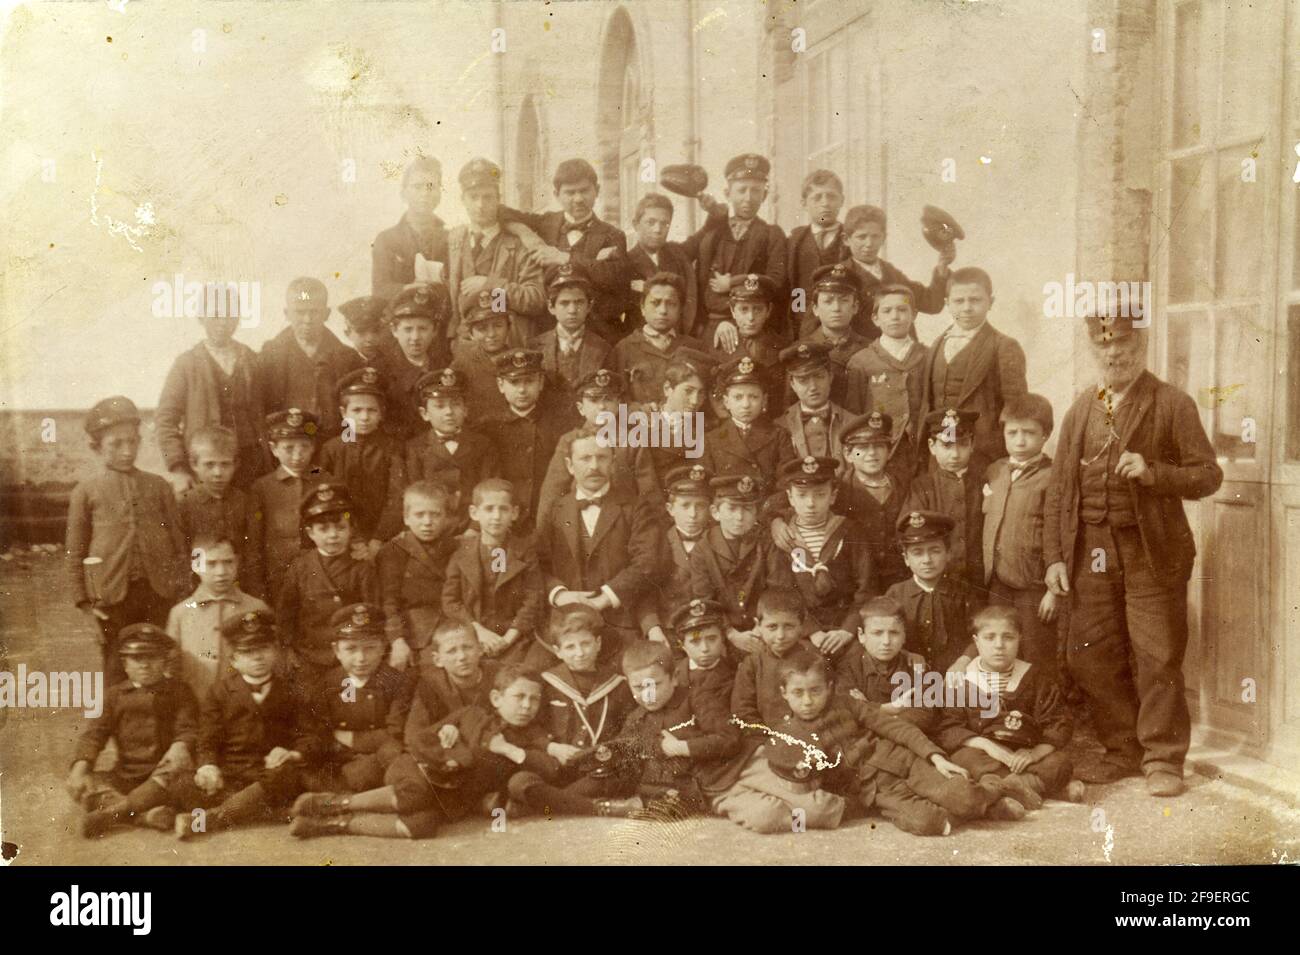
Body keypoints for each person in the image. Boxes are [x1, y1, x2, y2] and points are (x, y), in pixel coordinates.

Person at [1043, 311, 1222, 797]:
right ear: (1092, 351)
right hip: (1091, 552)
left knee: (1157, 654)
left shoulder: (1171, 403)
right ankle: (1123, 750)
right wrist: (1056, 557)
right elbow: (1060, 488)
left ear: (1140, 346)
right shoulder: (1082, 408)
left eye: (1121, 344)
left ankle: (1163, 759)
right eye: (1103, 347)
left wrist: (1153, 473)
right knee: (1093, 655)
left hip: (1149, 549)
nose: (1113, 354)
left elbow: (1208, 475)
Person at [289, 665, 556, 839]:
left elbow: (547, 768)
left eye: (534, 699)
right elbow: (419, 739)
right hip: (416, 769)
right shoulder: (472, 714)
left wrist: (510, 750)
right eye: (519, 697)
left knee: (422, 825)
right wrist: (447, 741)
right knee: (416, 792)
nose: (526, 706)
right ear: (497, 699)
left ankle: (335, 825)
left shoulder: (532, 739)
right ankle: (332, 803)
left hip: (447, 798)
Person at [508, 642, 739, 818]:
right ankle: (592, 807)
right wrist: (586, 757)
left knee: (554, 795)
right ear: (628, 683)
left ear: (674, 678)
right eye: (638, 687)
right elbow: (620, 752)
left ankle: (537, 804)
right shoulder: (636, 715)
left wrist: (682, 747)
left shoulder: (697, 700)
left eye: (655, 684)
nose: (648, 695)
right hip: (638, 785)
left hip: (681, 790)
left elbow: (729, 738)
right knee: (523, 783)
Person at [66, 396, 189, 683]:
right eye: (116, 444)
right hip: (111, 600)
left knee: (161, 664)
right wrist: (86, 607)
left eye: (133, 442)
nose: (127, 451)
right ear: (96, 447)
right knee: (117, 668)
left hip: (160, 594)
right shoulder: (86, 492)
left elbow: (178, 544)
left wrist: (181, 591)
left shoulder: (158, 487)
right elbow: (74, 555)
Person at [169, 610, 308, 840]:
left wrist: (291, 753)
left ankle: (213, 819)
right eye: (248, 652)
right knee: (181, 783)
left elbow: (310, 736)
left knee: (288, 774)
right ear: (234, 659)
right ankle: (259, 812)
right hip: (231, 774)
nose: (257, 658)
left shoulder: (292, 691)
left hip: (269, 774)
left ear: (275, 652)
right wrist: (209, 767)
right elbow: (207, 739)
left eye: (264, 649)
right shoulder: (219, 692)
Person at [937, 605, 1086, 806]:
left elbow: (1058, 722)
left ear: (1019, 640)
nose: (999, 645)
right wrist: (989, 747)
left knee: (1059, 763)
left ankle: (1004, 793)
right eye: (990, 638)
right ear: (976, 643)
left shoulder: (1035, 677)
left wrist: (1035, 753)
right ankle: (1038, 788)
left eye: (1008, 637)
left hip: (1026, 754)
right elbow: (950, 727)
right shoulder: (963, 680)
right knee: (964, 759)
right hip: (985, 754)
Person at [535, 425, 661, 652]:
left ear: (612, 464)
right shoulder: (555, 510)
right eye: (585, 458)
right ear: (569, 466)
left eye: (601, 458)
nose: (594, 466)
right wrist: (559, 594)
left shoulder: (635, 507)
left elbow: (647, 562)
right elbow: (537, 564)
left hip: (619, 623)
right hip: (564, 626)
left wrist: (606, 598)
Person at [65, 625, 198, 838]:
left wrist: (180, 746)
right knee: (87, 784)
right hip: (127, 774)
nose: (145, 664)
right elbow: (94, 734)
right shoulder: (114, 696)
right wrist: (81, 766)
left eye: (152, 657)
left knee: (183, 781)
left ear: (164, 660)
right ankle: (144, 816)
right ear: (125, 663)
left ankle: (117, 812)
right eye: (137, 658)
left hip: (164, 774)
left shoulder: (179, 691)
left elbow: (188, 728)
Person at [501, 158, 631, 342]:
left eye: (584, 190)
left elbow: (617, 278)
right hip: (547, 334)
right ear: (556, 194)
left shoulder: (613, 235)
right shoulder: (545, 224)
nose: (578, 199)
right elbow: (502, 213)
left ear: (597, 190)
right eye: (570, 193)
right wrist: (527, 235)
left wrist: (565, 258)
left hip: (598, 335)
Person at [291, 603, 414, 796]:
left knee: (387, 760)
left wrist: (351, 738)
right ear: (337, 650)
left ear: (383, 647)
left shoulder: (396, 682)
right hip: (339, 757)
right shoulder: (327, 684)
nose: (361, 658)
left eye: (370, 648)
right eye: (351, 649)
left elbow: (395, 732)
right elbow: (317, 731)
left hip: (379, 757)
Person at [917, 267, 1027, 479]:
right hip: (939, 456)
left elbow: (1015, 409)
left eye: (975, 300)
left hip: (982, 454)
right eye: (959, 301)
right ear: (947, 303)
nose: (967, 308)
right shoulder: (937, 345)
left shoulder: (1004, 346)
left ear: (990, 303)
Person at [982, 394, 1059, 682]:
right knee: (1000, 649)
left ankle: (1044, 717)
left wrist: (1054, 591)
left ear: (1046, 435)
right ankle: (1007, 716)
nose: (1020, 440)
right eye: (1012, 433)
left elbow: (1060, 533)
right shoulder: (995, 471)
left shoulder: (1053, 476)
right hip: (998, 580)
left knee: (1036, 652)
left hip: (1034, 584)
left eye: (1029, 433)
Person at [155, 294, 266, 494]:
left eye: (230, 315)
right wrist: (178, 468)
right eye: (215, 315)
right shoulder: (187, 364)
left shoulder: (252, 360)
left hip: (250, 463)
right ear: (201, 317)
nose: (223, 322)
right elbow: (165, 420)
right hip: (206, 467)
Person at [765, 455, 872, 659]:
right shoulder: (784, 538)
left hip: (846, 626)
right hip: (802, 631)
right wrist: (812, 632)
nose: (811, 503)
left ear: (833, 496)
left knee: (858, 660)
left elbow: (866, 588)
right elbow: (782, 594)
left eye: (820, 494)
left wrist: (847, 630)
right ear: (790, 498)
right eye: (802, 495)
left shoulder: (850, 531)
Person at [679, 153, 788, 344]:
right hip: (711, 328)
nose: (748, 197)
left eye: (755, 190)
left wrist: (734, 282)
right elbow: (681, 255)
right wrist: (713, 219)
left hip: (754, 328)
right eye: (741, 190)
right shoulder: (713, 230)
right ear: (728, 193)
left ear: (764, 195)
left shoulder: (772, 234)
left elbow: (776, 281)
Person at [276, 484, 381, 681]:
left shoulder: (361, 568)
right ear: (310, 533)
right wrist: (287, 648)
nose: (333, 535)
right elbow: (286, 613)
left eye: (341, 527)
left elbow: (372, 613)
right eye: (323, 529)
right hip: (308, 655)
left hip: (349, 658)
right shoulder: (301, 567)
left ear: (351, 530)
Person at [379, 366, 497, 537]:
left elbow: (490, 493)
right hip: (427, 531)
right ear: (425, 413)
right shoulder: (413, 449)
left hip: (471, 532)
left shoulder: (483, 446)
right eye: (439, 406)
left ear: (465, 410)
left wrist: (474, 529)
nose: (449, 412)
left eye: (455, 404)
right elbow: (402, 497)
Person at [442, 478, 546, 666]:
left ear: (514, 513)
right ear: (474, 513)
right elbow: (451, 602)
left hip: (514, 637)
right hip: (473, 635)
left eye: (503, 509)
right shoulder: (460, 553)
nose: (496, 516)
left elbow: (533, 600)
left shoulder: (525, 553)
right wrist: (479, 631)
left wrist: (508, 639)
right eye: (489, 509)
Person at [445, 157, 545, 345]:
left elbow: (536, 299)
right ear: (463, 200)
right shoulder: (454, 241)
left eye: (487, 197)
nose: (480, 205)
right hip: (466, 346)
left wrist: (492, 285)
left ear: (498, 199)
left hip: (510, 343)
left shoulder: (519, 244)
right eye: (473, 197)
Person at [259, 277, 363, 440]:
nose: (307, 320)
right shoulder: (270, 354)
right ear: (287, 313)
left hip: (330, 445)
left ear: (326, 313)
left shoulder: (346, 356)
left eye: (314, 312)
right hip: (287, 445)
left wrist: (346, 448)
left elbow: (353, 409)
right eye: (300, 312)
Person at [166, 534, 269, 698]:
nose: (221, 572)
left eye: (228, 562)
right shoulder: (181, 613)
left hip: (243, 708)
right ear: (196, 565)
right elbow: (171, 667)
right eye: (211, 564)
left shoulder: (256, 608)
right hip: (197, 704)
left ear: (237, 563)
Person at [844, 284, 929, 481]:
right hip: (880, 454)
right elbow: (852, 416)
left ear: (914, 315)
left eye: (902, 310)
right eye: (887, 311)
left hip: (920, 452)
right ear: (875, 318)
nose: (895, 317)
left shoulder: (928, 356)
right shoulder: (861, 361)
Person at [246, 408, 332, 602]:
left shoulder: (326, 481)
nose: (297, 455)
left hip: (320, 576)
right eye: (288, 448)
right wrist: (258, 593)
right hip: (277, 577)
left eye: (304, 447)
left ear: (313, 447)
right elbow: (254, 545)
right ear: (274, 449)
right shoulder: (262, 487)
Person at [834, 204, 952, 342]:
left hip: (905, 355)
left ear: (883, 238)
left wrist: (942, 267)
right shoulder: (839, 276)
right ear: (846, 239)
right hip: (864, 357)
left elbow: (931, 304)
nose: (869, 243)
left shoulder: (891, 272)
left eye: (875, 236)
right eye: (861, 237)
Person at [376, 481, 461, 672]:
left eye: (435, 514)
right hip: (413, 631)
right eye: (419, 514)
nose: (427, 522)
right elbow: (389, 603)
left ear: (446, 517)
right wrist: (397, 640)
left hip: (451, 626)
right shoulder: (393, 550)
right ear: (406, 518)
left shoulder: (456, 547)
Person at [478, 349, 571, 523]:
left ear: (541, 382)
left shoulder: (561, 426)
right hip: (502, 521)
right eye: (514, 382)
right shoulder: (486, 428)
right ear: (500, 385)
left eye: (529, 381)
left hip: (549, 519)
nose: (522, 389)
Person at [318, 366, 403, 555]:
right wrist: (354, 538)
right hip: (341, 536)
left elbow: (396, 497)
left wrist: (378, 539)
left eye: (371, 410)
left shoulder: (392, 449)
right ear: (343, 412)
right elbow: (326, 496)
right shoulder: (332, 449)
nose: (364, 417)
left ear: (381, 413)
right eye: (357, 410)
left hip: (383, 537)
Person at [688, 473, 773, 652]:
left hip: (765, 630)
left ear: (757, 512)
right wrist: (731, 634)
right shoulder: (703, 550)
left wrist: (762, 628)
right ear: (715, 512)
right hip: (724, 633)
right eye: (732, 509)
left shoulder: (767, 543)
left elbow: (777, 588)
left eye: (747, 509)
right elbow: (704, 599)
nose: (740, 517)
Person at [903, 409, 985, 589]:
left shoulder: (984, 482)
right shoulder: (922, 487)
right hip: (939, 580)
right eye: (947, 446)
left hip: (979, 579)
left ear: (972, 444)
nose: (955, 454)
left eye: (962, 444)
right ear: (932, 446)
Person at [175, 426, 262, 597]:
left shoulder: (245, 502)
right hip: (198, 589)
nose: (218, 473)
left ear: (236, 464)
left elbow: (253, 552)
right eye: (209, 465)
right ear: (194, 464)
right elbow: (183, 552)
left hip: (240, 588)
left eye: (225, 464)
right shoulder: (185, 504)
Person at [884, 511, 975, 673]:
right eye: (917, 553)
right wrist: (905, 653)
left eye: (935, 551)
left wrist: (964, 660)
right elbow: (882, 636)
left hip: (955, 674)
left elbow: (979, 633)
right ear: (906, 558)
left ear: (948, 554)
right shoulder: (896, 593)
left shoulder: (963, 591)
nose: (927, 560)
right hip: (908, 675)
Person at [638, 465, 713, 646]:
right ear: (670, 509)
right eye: (685, 505)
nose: (693, 514)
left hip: (709, 633)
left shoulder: (716, 541)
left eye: (700, 506)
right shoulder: (656, 543)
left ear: (711, 509)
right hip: (667, 632)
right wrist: (653, 628)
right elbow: (643, 592)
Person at [612, 272, 713, 406]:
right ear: (642, 307)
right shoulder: (624, 348)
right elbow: (616, 399)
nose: (663, 310)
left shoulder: (695, 347)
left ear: (681, 309)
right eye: (655, 303)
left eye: (671, 304)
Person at [835, 412, 909, 591]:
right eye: (862, 447)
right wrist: (776, 518)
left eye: (879, 446)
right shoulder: (837, 488)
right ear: (848, 454)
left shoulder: (904, 484)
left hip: (901, 581)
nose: (872, 454)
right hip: (856, 585)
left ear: (889, 451)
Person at [700, 355, 797, 488]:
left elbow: (786, 482)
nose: (745, 404)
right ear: (726, 402)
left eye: (753, 397)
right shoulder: (710, 439)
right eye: (738, 397)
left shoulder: (779, 435)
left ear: (764, 401)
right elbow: (706, 485)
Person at [402, 620, 500, 747]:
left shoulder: (499, 675)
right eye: (451, 651)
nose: (462, 656)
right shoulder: (431, 685)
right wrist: (442, 730)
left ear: (480, 649)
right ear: (438, 660)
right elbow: (412, 736)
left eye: (467, 647)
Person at [529, 262, 611, 411]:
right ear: (551, 307)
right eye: (564, 303)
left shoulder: (603, 348)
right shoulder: (534, 347)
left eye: (579, 302)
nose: (572, 310)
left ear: (589, 306)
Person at [371, 156, 450, 301]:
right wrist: (407, 289)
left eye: (431, 187)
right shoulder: (387, 240)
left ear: (439, 194)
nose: (425, 193)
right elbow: (380, 290)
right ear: (404, 193)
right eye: (417, 187)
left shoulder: (452, 239)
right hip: (401, 319)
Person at [381, 283, 454, 440]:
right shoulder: (384, 372)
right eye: (408, 329)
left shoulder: (445, 366)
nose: (415, 338)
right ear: (394, 331)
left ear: (434, 331)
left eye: (422, 329)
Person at [626, 193, 698, 335]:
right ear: (636, 224)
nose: (658, 230)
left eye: (664, 224)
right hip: (642, 343)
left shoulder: (677, 254)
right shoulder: (625, 262)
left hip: (680, 339)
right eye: (651, 222)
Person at [787, 170, 849, 330]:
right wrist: (799, 317)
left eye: (831, 196)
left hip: (843, 324)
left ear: (842, 200)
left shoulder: (851, 238)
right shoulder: (795, 240)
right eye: (817, 197)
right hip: (803, 324)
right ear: (804, 203)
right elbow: (796, 288)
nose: (825, 203)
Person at [801, 262, 869, 408]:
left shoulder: (870, 349)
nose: (836, 308)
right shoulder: (801, 349)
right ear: (815, 309)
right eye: (828, 301)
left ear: (855, 307)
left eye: (844, 300)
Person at [774, 341, 852, 465]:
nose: (813, 387)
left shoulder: (851, 423)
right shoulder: (781, 426)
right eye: (803, 380)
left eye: (819, 377)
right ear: (792, 384)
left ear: (830, 377)